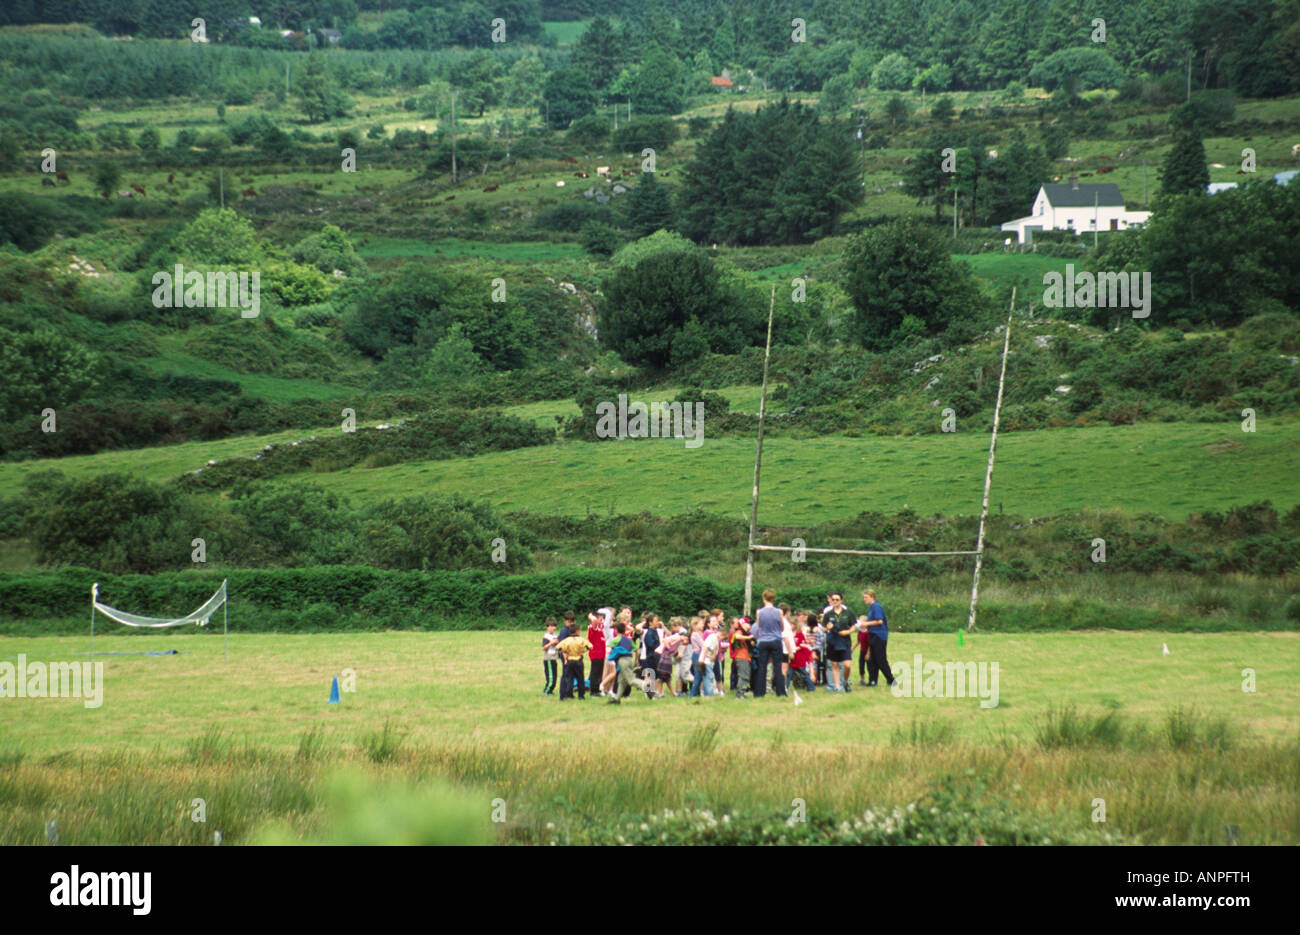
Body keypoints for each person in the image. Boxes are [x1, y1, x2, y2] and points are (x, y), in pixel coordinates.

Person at [753, 589, 787, 698]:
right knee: (778, 666)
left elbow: (758, 626)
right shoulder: (779, 612)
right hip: (776, 640)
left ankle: (759, 692)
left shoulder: (759, 612)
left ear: (764, 598)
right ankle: (781, 692)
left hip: (763, 640)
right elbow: (782, 626)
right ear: (773, 599)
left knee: (762, 666)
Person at [608, 622, 652, 703]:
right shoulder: (628, 640)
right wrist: (636, 660)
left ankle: (644, 685)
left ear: (616, 630)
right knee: (621, 680)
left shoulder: (616, 640)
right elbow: (636, 650)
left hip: (622, 661)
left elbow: (609, 650)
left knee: (630, 680)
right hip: (630, 660)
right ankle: (617, 699)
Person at [821, 592, 856, 693]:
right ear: (831, 601)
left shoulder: (848, 613)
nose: (835, 601)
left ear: (841, 600)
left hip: (845, 641)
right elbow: (823, 627)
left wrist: (848, 631)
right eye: (833, 599)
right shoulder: (828, 614)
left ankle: (845, 681)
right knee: (834, 664)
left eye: (837, 599)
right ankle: (837, 686)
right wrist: (827, 628)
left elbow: (854, 625)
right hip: (833, 641)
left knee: (847, 665)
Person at [862, 589, 897, 687]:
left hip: (879, 635)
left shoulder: (876, 606)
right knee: (872, 659)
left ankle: (891, 680)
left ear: (872, 597)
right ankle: (873, 681)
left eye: (866, 597)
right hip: (873, 634)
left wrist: (866, 623)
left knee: (880, 659)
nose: (864, 599)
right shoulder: (871, 607)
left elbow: (879, 621)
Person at [556, 626, 592, 701]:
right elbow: (590, 646)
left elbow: (558, 647)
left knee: (568, 678)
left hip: (569, 659)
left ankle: (567, 694)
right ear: (577, 631)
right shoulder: (581, 639)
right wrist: (583, 651)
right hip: (578, 659)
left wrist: (564, 651)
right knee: (580, 678)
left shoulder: (566, 640)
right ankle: (581, 695)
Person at [730, 616, 753, 698]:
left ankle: (742, 693)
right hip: (741, 657)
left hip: (745, 657)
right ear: (743, 624)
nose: (749, 625)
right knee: (743, 676)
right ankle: (739, 695)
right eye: (748, 623)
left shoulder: (746, 633)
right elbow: (736, 636)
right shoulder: (740, 631)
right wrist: (748, 637)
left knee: (746, 676)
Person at [586, 611, 607, 699]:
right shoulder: (592, 627)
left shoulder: (601, 627)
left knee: (600, 673)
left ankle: (597, 689)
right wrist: (591, 616)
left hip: (601, 654)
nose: (602, 621)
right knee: (595, 673)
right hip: (595, 654)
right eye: (600, 619)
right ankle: (593, 691)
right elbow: (594, 620)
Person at [789, 617, 814, 691]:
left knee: (803, 673)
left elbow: (802, 645)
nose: (790, 626)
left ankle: (811, 687)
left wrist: (793, 649)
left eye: (792, 624)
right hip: (792, 657)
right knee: (789, 673)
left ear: (796, 625)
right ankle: (786, 687)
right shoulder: (790, 634)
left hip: (799, 657)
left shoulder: (799, 634)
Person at [697, 619, 720, 696]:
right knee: (707, 674)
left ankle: (713, 689)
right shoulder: (707, 633)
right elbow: (706, 646)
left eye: (716, 621)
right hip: (707, 657)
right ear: (708, 624)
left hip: (714, 656)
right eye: (713, 621)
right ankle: (703, 691)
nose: (715, 622)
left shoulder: (716, 632)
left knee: (713, 674)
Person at [688, 616, 707, 698]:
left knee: (700, 676)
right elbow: (702, 644)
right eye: (701, 623)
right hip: (697, 655)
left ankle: (697, 692)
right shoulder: (695, 634)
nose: (703, 625)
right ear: (696, 625)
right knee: (698, 676)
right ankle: (692, 693)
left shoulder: (698, 634)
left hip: (698, 654)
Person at [542, 617, 560, 695]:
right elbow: (544, 647)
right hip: (548, 658)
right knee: (551, 677)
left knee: (555, 676)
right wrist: (551, 643)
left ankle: (550, 690)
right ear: (547, 627)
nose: (554, 628)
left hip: (554, 658)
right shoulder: (546, 636)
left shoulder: (555, 636)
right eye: (552, 626)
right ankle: (546, 691)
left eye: (555, 626)